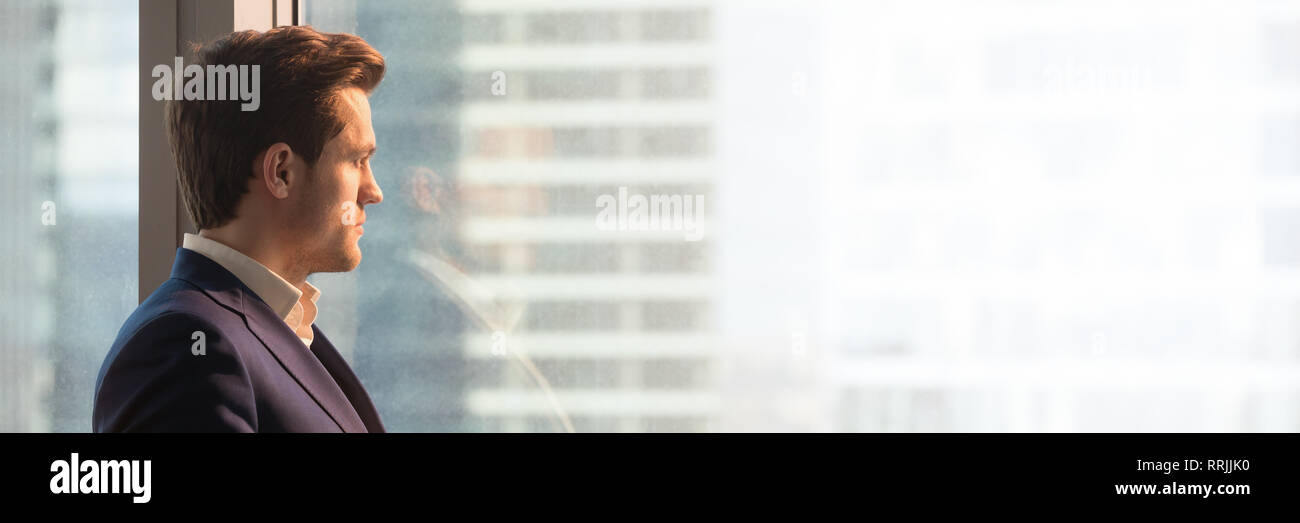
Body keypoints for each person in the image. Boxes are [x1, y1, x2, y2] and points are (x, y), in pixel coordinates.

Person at [93, 26, 387, 432]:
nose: (373, 192)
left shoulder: (271, 329)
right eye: (357, 160)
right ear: (281, 171)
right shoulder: (186, 346)